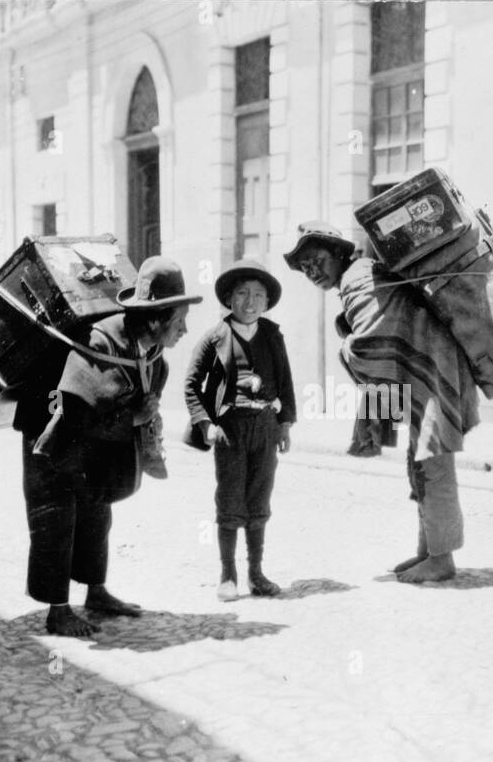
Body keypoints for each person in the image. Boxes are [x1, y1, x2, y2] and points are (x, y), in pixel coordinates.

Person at [284, 220, 479, 583]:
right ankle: (429, 551)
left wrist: (345, 344)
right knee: (420, 462)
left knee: (433, 464)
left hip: (435, 376)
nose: (312, 271)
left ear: (338, 253)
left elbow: (372, 343)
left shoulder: (357, 278)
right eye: (305, 267)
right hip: (431, 374)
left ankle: (442, 559)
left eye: (317, 260)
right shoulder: (358, 276)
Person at [17, 256, 200, 637]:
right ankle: (58, 611)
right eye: (179, 320)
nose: (185, 329)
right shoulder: (101, 343)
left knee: (97, 510)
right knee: (57, 517)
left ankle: (96, 592)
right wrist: (131, 419)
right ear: (155, 319)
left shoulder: (150, 352)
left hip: (91, 443)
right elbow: (77, 414)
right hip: (51, 437)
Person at [184, 259, 296, 602]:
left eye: (259, 295)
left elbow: (286, 382)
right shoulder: (215, 337)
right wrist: (207, 423)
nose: (251, 302)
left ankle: (256, 573)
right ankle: (227, 575)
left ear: (266, 302)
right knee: (231, 499)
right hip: (230, 429)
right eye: (243, 293)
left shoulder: (272, 335)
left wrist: (285, 424)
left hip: (265, 426)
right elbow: (191, 384)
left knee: (259, 498)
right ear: (229, 298)